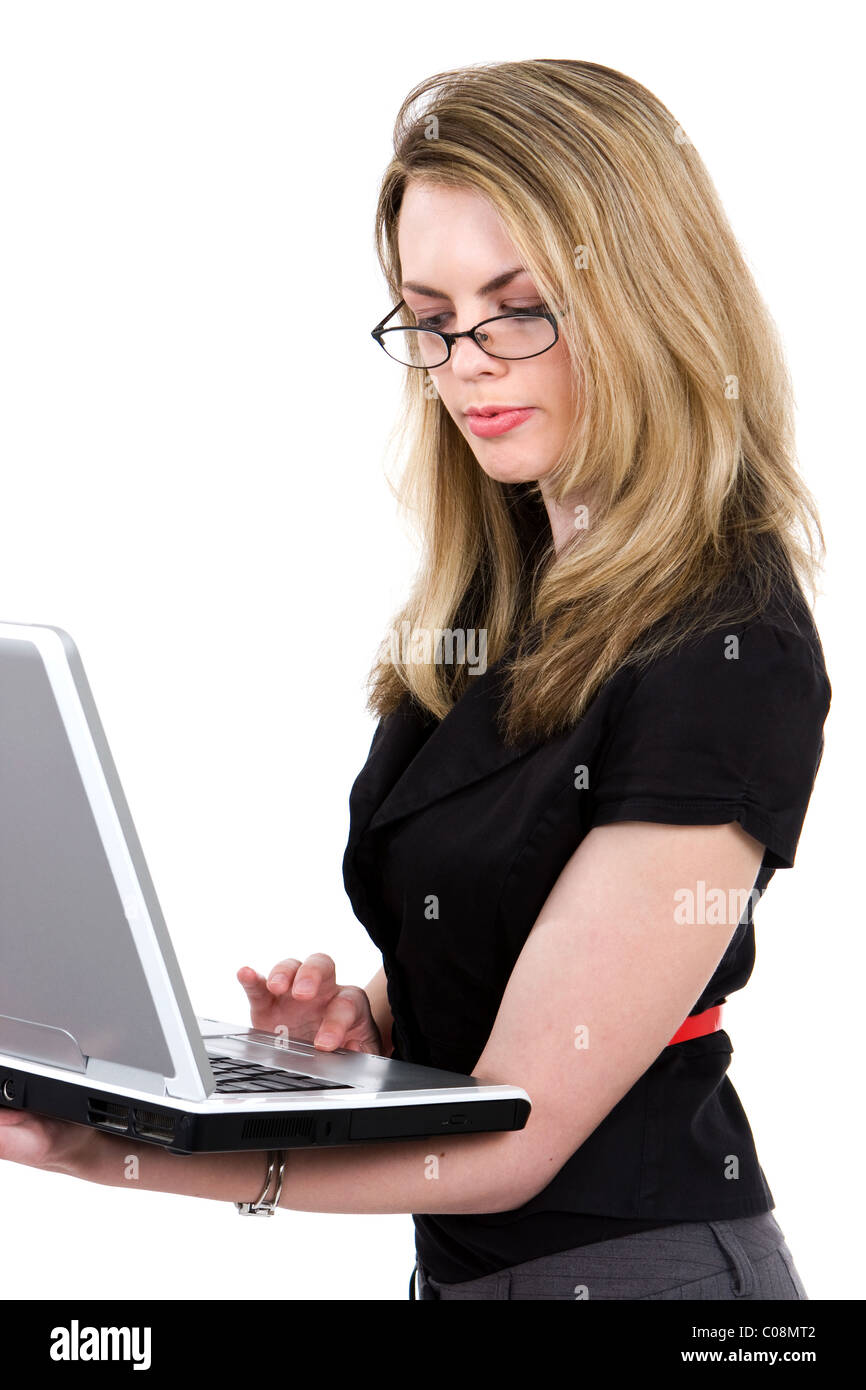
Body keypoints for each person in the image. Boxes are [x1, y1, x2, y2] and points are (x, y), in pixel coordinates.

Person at [0, 59, 831, 1302]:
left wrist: (117, 1153)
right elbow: (514, 953)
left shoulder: (729, 649)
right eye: (430, 317)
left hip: (648, 1275)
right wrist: (359, 1040)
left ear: (652, 296)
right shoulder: (498, 605)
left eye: (519, 307)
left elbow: (518, 1133)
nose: (466, 364)